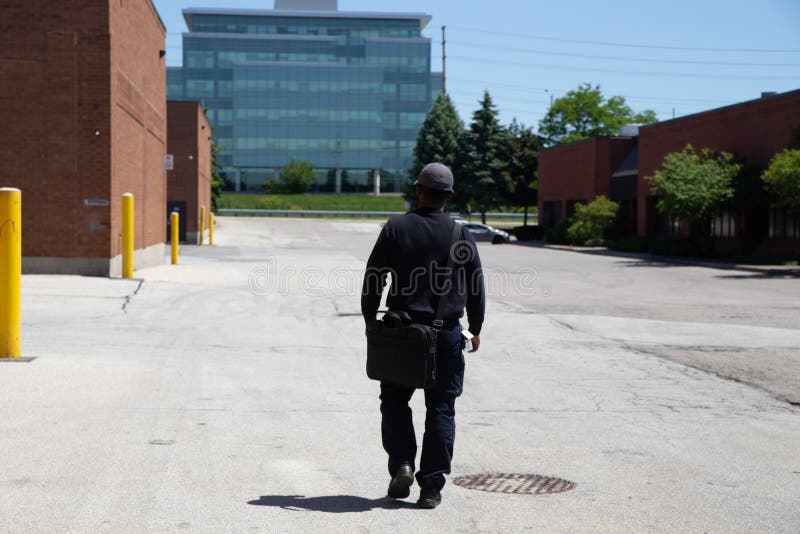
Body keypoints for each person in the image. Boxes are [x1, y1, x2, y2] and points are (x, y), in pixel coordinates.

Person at [361, 162, 486, 509]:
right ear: (448, 196)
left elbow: (374, 276)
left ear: (418, 191)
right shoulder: (462, 235)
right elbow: (476, 286)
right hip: (444, 334)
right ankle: (431, 487)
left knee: (396, 401)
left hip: (402, 334)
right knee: (441, 409)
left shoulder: (396, 227)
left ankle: (402, 463)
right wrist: (475, 327)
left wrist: (370, 318)